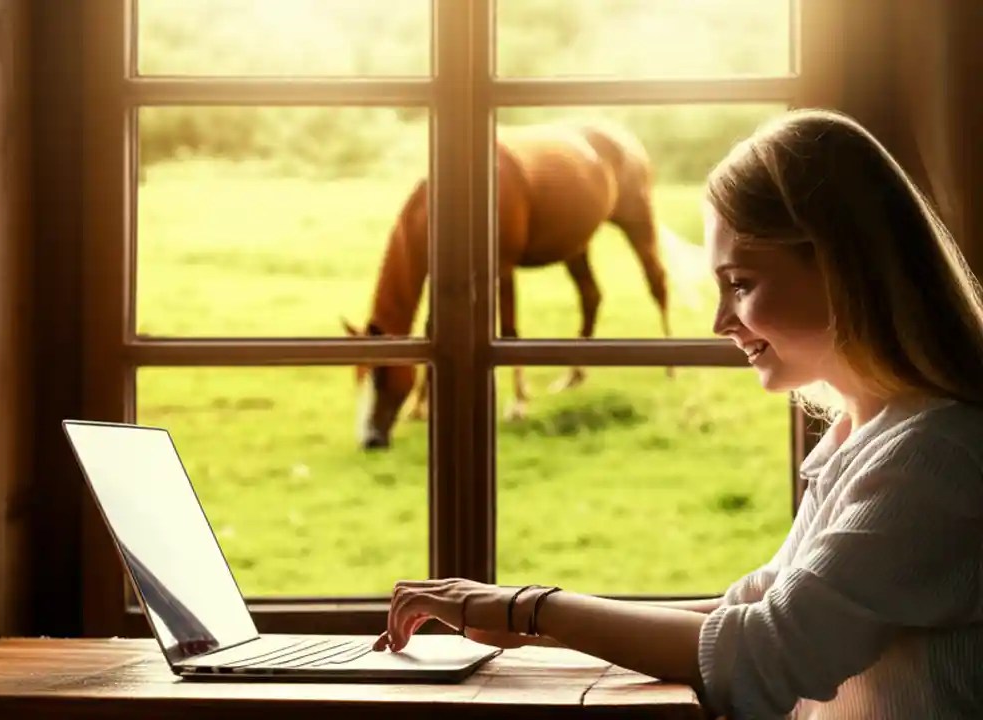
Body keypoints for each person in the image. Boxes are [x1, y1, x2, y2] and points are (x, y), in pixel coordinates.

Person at [372, 108, 983, 719]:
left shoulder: (934, 458)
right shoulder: (875, 436)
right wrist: (522, 614)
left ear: (843, 267)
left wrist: (532, 609)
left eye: (740, 283)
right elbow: (748, 607)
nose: (721, 322)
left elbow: (764, 651)